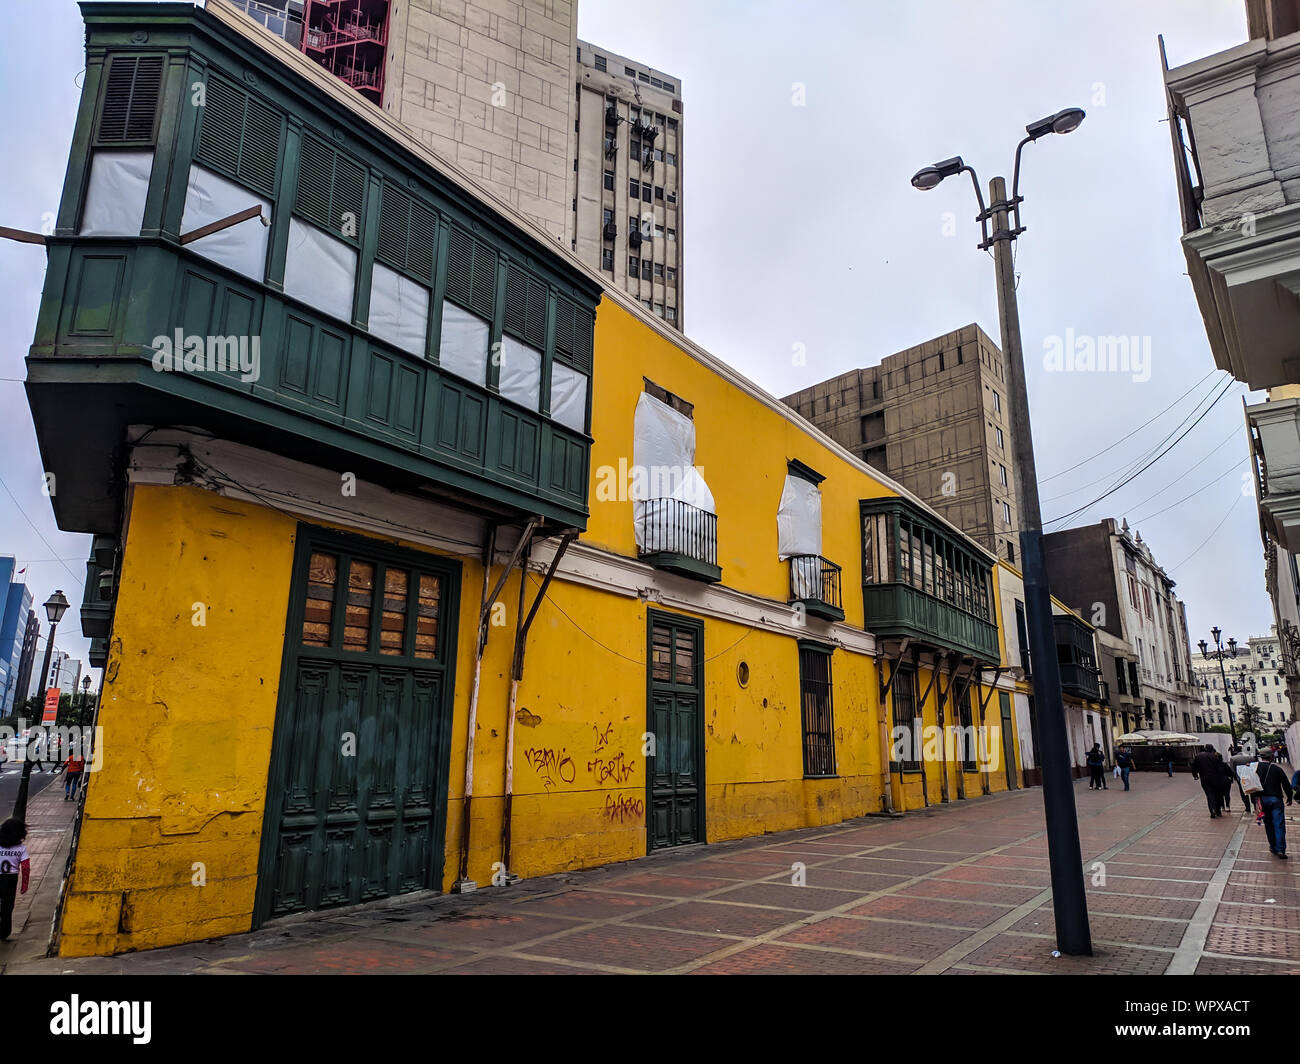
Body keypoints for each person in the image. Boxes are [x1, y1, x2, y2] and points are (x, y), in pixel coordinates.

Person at [1255, 749, 1294, 859]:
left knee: (1268, 824)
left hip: (1262, 800)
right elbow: (1286, 784)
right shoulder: (1277, 769)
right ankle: (1280, 849)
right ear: (1271, 757)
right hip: (1276, 799)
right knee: (1279, 824)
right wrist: (1289, 797)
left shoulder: (1255, 768)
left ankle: (1272, 845)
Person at [0, 818, 30, 941]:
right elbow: (26, 867)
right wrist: (24, 885)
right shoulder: (21, 848)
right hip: (11, 879)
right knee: (7, 906)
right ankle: (4, 932)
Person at [1191, 744, 1224, 818]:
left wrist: (1195, 775)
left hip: (1204, 778)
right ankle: (1218, 810)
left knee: (1209, 794)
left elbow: (1194, 766)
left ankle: (1212, 810)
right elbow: (1220, 767)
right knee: (1217, 794)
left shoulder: (1198, 756)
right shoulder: (1215, 756)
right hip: (1215, 778)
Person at [1230, 745, 1255, 813]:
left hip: (1240, 777)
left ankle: (1247, 806)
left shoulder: (1233, 758)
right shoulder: (1250, 757)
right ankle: (1254, 804)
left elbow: (1232, 769)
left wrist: (1234, 777)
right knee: (1252, 790)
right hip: (1250, 775)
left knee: (1243, 791)